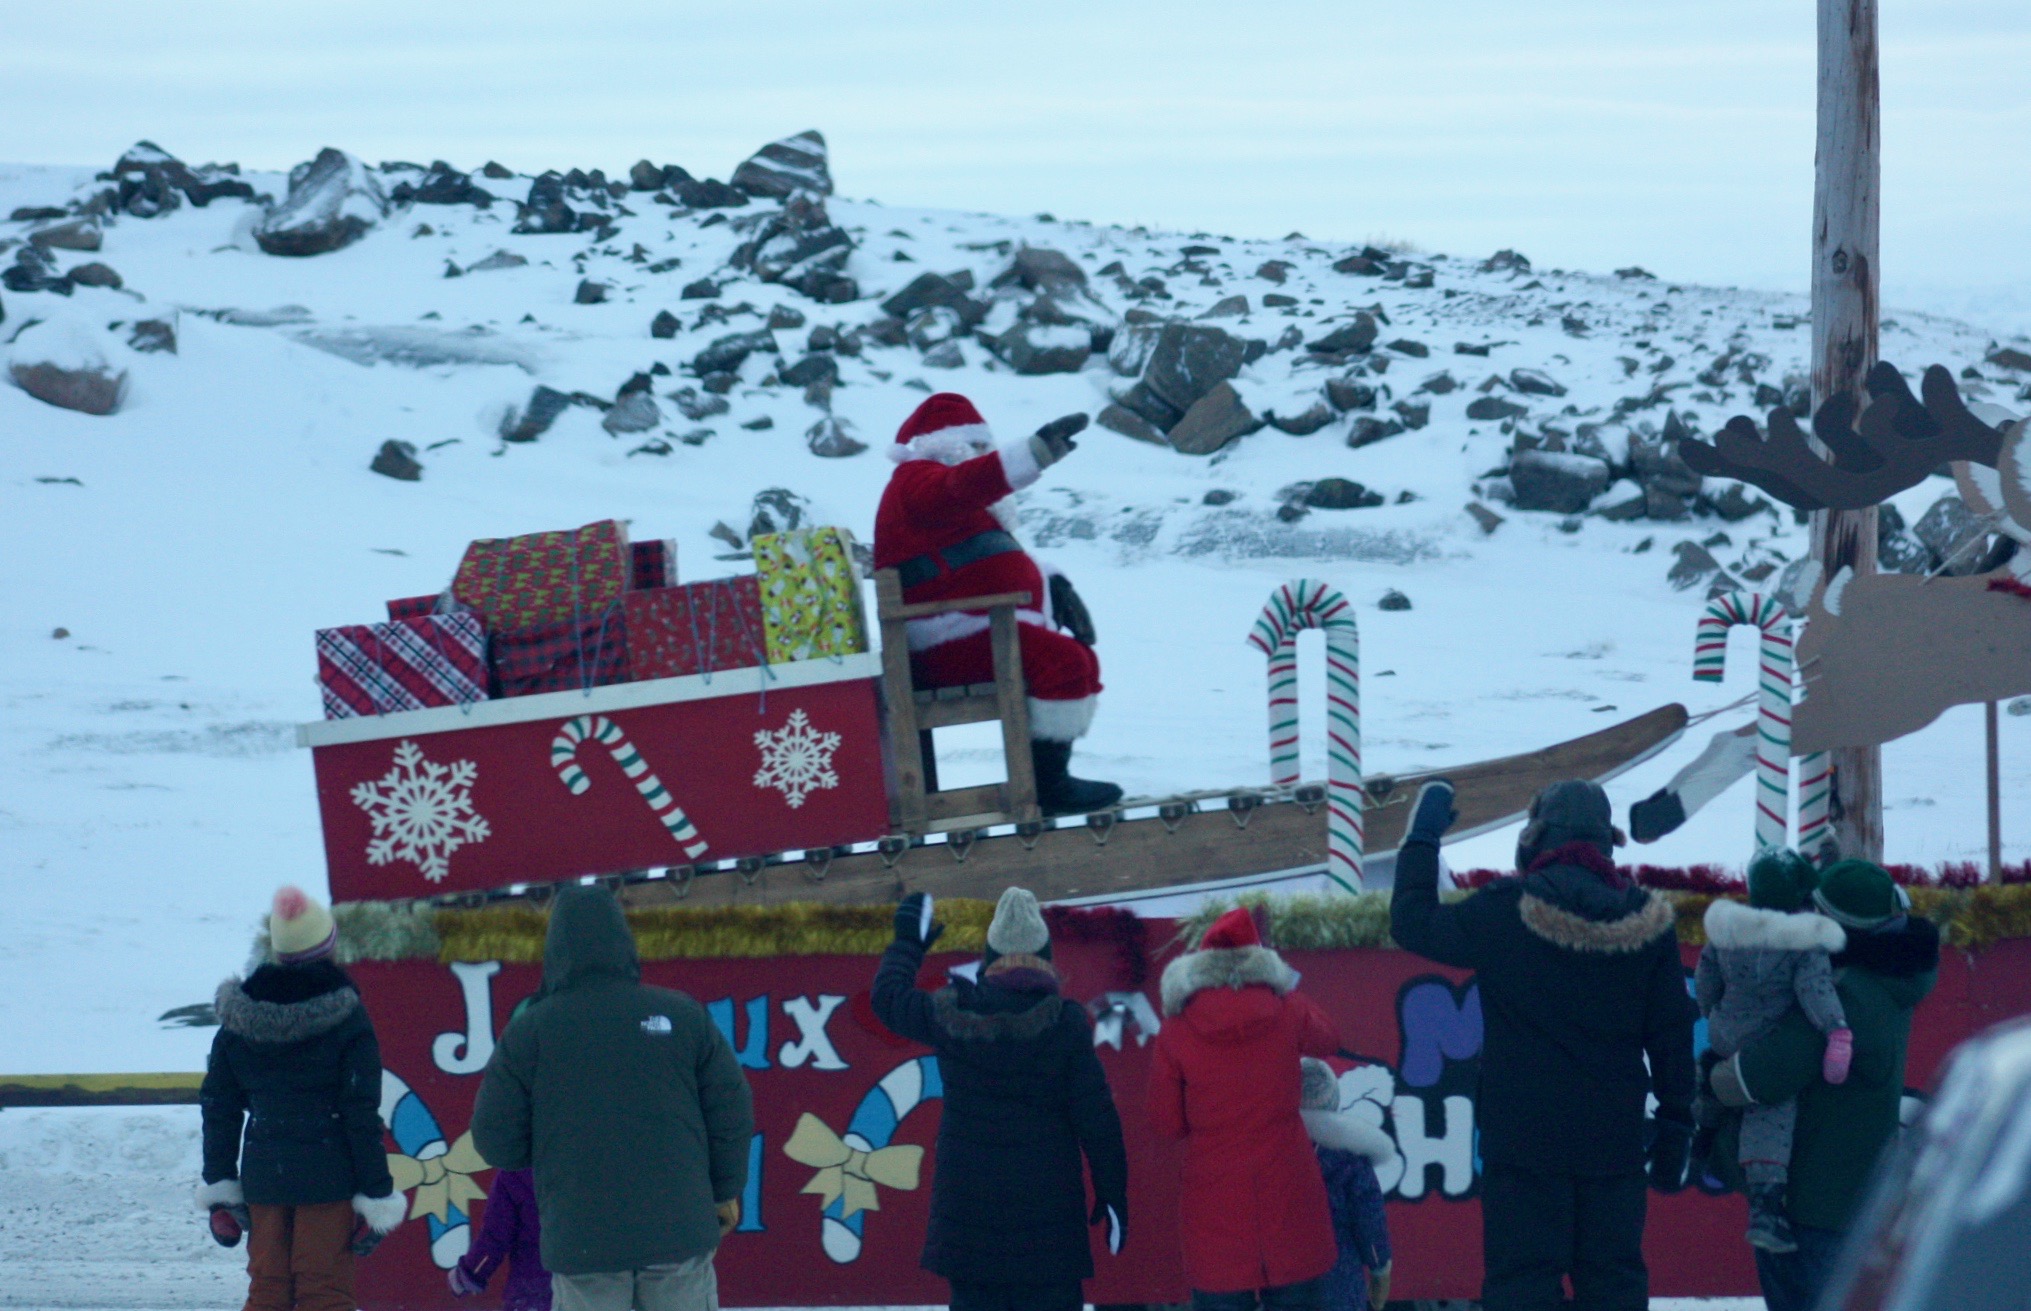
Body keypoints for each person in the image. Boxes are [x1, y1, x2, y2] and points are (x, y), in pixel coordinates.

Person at [1389, 779, 1698, 1311]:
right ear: (1607, 844)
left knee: (1522, 1288)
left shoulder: (1504, 910)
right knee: (1615, 1287)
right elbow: (1671, 1034)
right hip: (1613, 1143)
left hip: (1523, 1145)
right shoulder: (1648, 923)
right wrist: (1675, 1126)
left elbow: (1412, 922)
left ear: (1536, 839)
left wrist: (1422, 839)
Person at [472, 886, 754, 1311]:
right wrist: (723, 1191)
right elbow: (731, 1112)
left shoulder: (529, 1032)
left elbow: (494, 1140)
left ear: (556, 949)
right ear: (624, 942)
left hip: (581, 1239)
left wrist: (553, 1150)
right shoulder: (681, 1015)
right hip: (677, 1232)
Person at [872, 887, 1129, 1311]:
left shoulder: (954, 1015)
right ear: (1045, 958)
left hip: (971, 1239)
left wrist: (906, 944)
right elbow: (1098, 1121)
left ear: (990, 958)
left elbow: (888, 999)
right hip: (1049, 1241)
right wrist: (1112, 1193)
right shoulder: (1065, 1027)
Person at [1707, 859, 1940, 1311]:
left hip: (1811, 1206)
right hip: (1859, 1196)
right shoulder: (1897, 976)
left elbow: (1755, 1076)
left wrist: (1712, 1074)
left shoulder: (1846, 995)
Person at [872, 391, 1121, 814]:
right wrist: (1034, 454)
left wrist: (1054, 584)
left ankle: (1045, 780)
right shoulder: (920, 480)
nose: (983, 456)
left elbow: (982, 556)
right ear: (950, 444)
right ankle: (1047, 787)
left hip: (975, 631)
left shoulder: (951, 502)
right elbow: (964, 483)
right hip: (944, 642)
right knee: (1062, 661)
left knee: (1077, 658)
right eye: (978, 448)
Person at [197, 886, 406, 1311]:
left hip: (263, 1179)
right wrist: (376, 1194)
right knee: (324, 1295)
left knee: (267, 1293)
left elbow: (219, 1107)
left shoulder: (239, 1018)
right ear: (327, 947)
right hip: (328, 1180)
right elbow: (359, 1115)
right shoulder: (348, 1021)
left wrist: (221, 1186)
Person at [1148, 906, 1341, 1311]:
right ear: (1261, 962)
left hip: (1214, 1205)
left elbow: (1167, 1124)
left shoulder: (1177, 1029)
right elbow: (1328, 1040)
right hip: (1288, 1194)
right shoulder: (1286, 1009)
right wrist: (1285, 987)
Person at [1693, 848, 1852, 1254]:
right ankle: (1766, 1206)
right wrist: (1836, 1031)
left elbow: (1706, 977)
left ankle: (1705, 1145)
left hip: (1727, 1029)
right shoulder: (1802, 942)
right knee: (1771, 1107)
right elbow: (1814, 989)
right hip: (1766, 1040)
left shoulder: (1727, 931)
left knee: (1716, 1079)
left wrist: (1714, 1013)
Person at [1298, 1059, 1393, 1311]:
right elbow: (1369, 1220)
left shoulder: (1271, 1152)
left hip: (1284, 1285)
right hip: (1339, 1284)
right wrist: (1379, 1267)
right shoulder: (1349, 1156)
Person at [449, 1167, 548, 1309]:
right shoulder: (586, 1165)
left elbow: (495, 1237)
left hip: (535, 1287)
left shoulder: (516, 1171)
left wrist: (468, 1274)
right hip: (585, 1282)